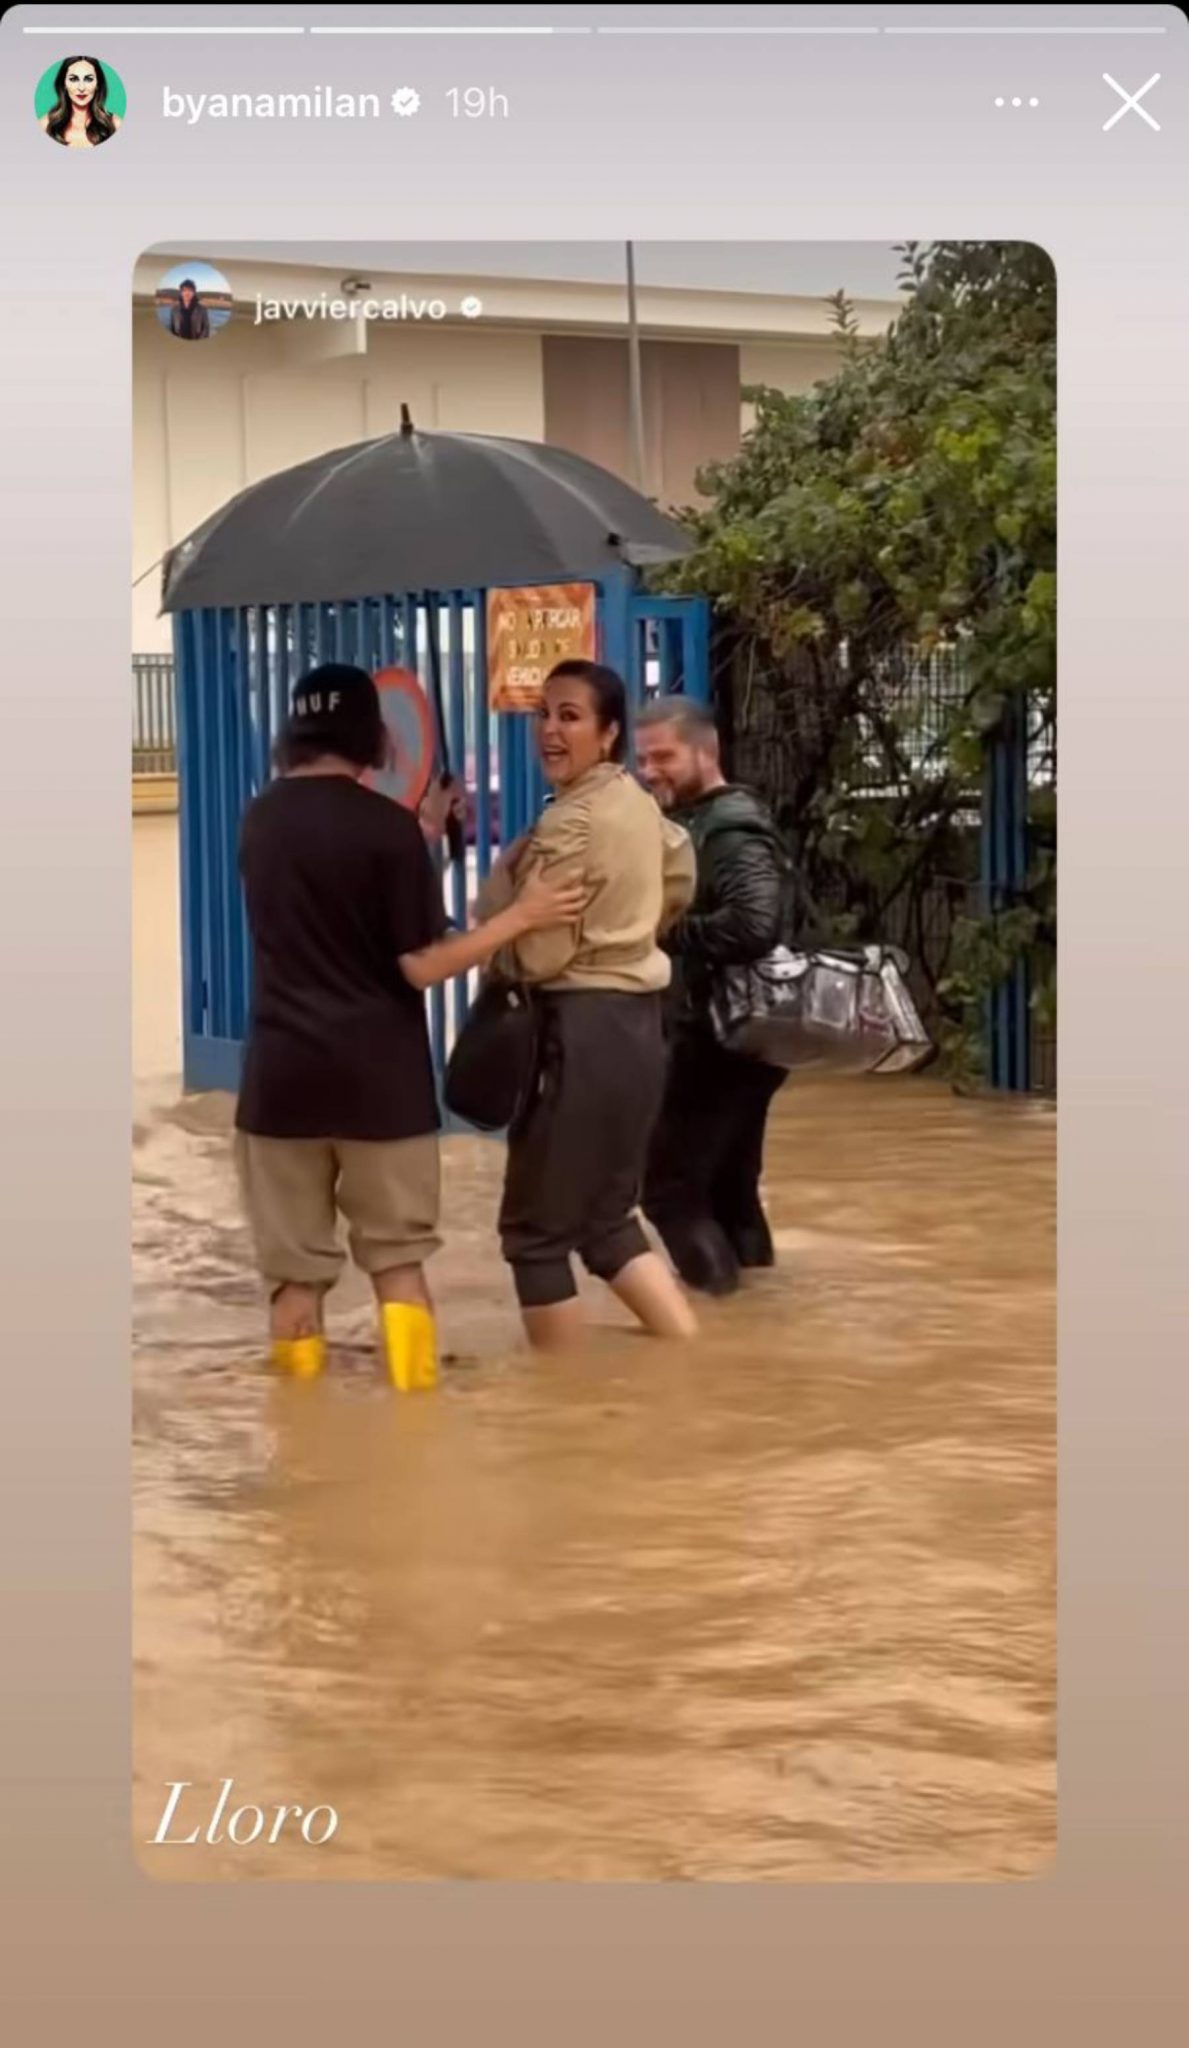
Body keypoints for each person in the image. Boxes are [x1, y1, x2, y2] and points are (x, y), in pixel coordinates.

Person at [234, 663, 584, 1389]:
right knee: (396, 1266)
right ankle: (413, 1425)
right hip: (376, 1086)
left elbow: (325, 902)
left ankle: (300, 1432)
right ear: (372, 735)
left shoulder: (259, 819)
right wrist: (519, 917)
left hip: (279, 1085)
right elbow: (420, 965)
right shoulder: (384, 831)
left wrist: (421, 833)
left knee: (296, 1279)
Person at [477, 661, 699, 1352]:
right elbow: (680, 873)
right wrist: (626, 933)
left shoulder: (569, 824)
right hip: (637, 1028)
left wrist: (497, 929)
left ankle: (566, 1408)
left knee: (533, 1236)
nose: (548, 729)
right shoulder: (640, 805)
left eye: (569, 716)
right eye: (543, 713)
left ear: (607, 734)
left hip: (576, 1031)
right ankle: (687, 1351)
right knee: (606, 1218)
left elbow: (539, 955)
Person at [636, 698, 789, 1297]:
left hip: (719, 1038)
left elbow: (756, 924)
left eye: (665, 756)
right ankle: (757, 1322)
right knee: (729, 1188)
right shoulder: (708, 819)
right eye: (644, 758)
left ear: (707, 750)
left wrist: (665, 932)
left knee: (669, 1192)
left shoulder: (730, 824)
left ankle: (714, 1314)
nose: (651, 771)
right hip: (745, 1035)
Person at [40, 56, 120, 148]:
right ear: (64, 84)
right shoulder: (45, 125)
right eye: (73, 79)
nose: (81, 88)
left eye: (88, 79)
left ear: (98, 84)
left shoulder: (115, 124)